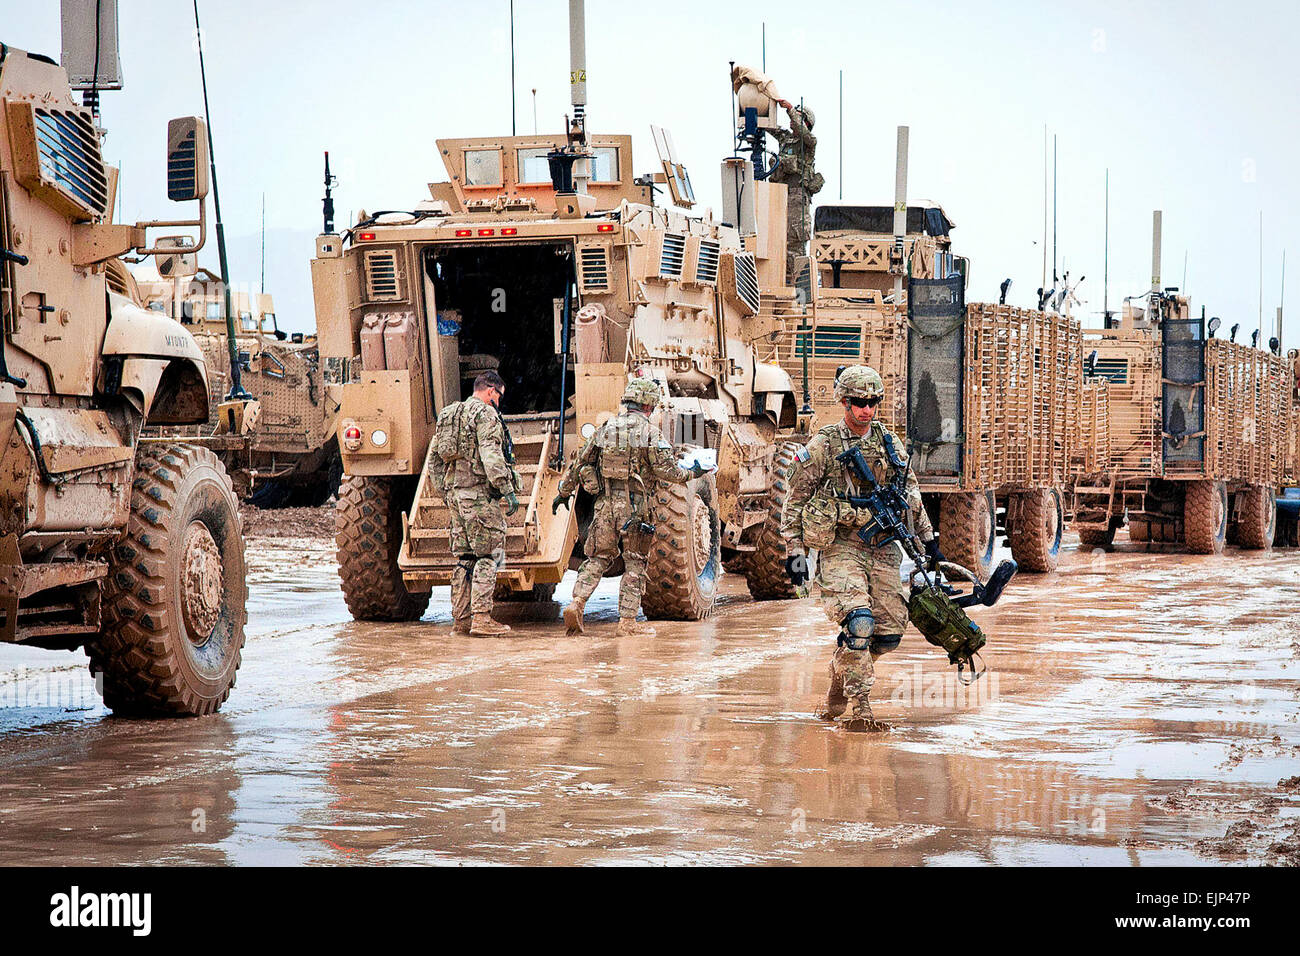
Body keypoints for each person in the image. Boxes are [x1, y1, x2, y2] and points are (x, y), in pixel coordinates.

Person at [781, 365, 944, 730]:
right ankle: (861, 711)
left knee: (888, 635)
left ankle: (841, 676)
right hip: (841, 546)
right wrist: (795, 556)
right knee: (860, 623)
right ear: (844, 401)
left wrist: (930, 543)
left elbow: (911, 492)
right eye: (858, 402)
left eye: (872, 402)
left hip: (884, 547)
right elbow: (795, 501)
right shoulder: (824, 444)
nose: (866, 410)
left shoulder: (889, 443)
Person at [552, 377, 709, 637]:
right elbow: (667, 471)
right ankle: (627, 623)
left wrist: (563, 493)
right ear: (649, 406)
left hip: (604, 507)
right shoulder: (650, 433)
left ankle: (576, 603)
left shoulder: (605, 429)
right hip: (634, 510)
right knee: (635, 563)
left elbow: (579, 464)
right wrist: (694, 472)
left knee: (597, 559)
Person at [448, 370, 520, 637]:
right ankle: (481, 619)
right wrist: (507, 488)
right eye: (499, 397)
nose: (499, 403)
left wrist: (449, 492)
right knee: (489, 556)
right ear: (491, 391)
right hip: (479, 497)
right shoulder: (486, 414)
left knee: (465, 558)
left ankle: (461, 620)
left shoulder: (451, 414)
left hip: (457, 496)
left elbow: (435, 459)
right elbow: (491, 456)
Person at [769, 98, 825, 285]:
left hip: (797, 197)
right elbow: (768, 126)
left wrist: (791, 109)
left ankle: (797, 288)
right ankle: (781, 283)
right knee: (776, 240)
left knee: (795, 242)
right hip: (780, 193)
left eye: (798, 118)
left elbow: (802, 131)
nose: (792, 120)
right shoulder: (786, 138)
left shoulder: (808, 142)